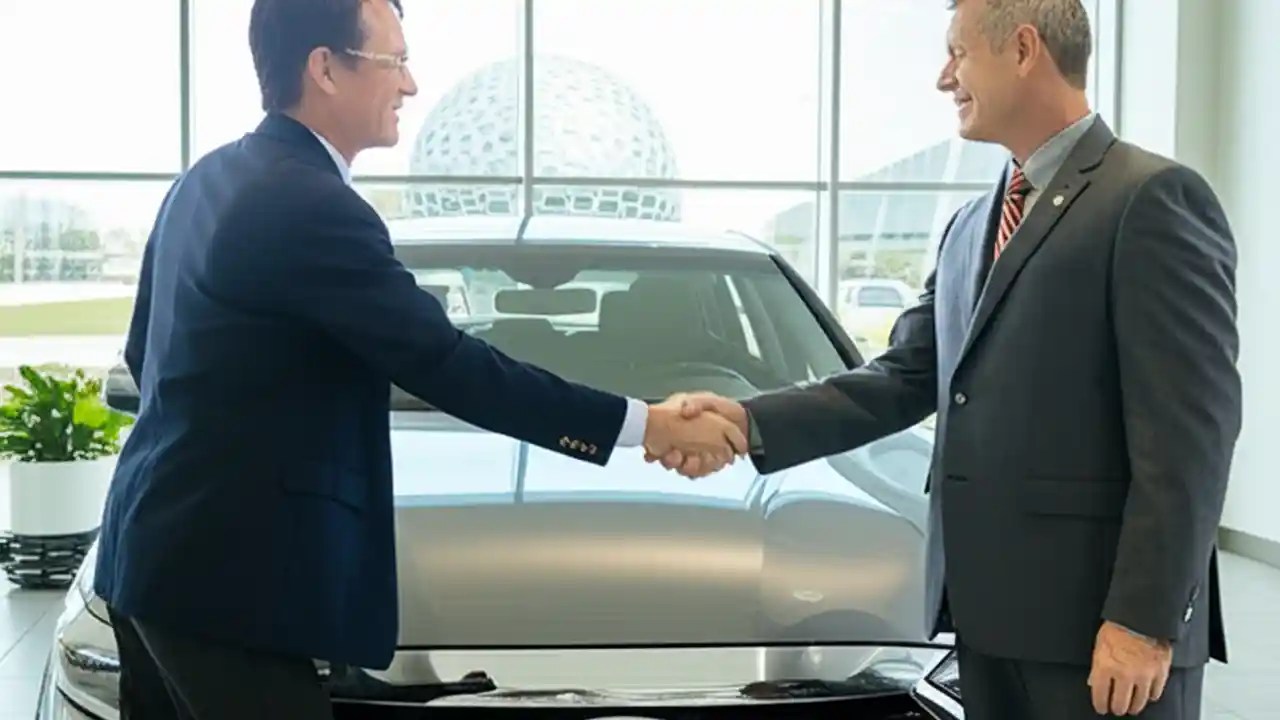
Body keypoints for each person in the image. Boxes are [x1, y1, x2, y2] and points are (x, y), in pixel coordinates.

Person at [93, 1, 745, 717]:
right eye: (395, 60)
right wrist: (645, 423)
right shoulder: (309, 204)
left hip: (151, 559)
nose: (409, 84)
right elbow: (447, 364)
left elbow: (143, 348)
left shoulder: (207, 180)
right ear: (324, 69)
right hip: (234, 590)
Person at [655, 0, 1240, 717]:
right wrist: (746, 421)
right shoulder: (971, 225)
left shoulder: (1149, 200)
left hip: (1101, 634)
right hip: (988, 623)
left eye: (957, 53)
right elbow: (902, 378)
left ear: (1023, 49)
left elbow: (1190, 440)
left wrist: (1143, 621)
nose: (943, 78)